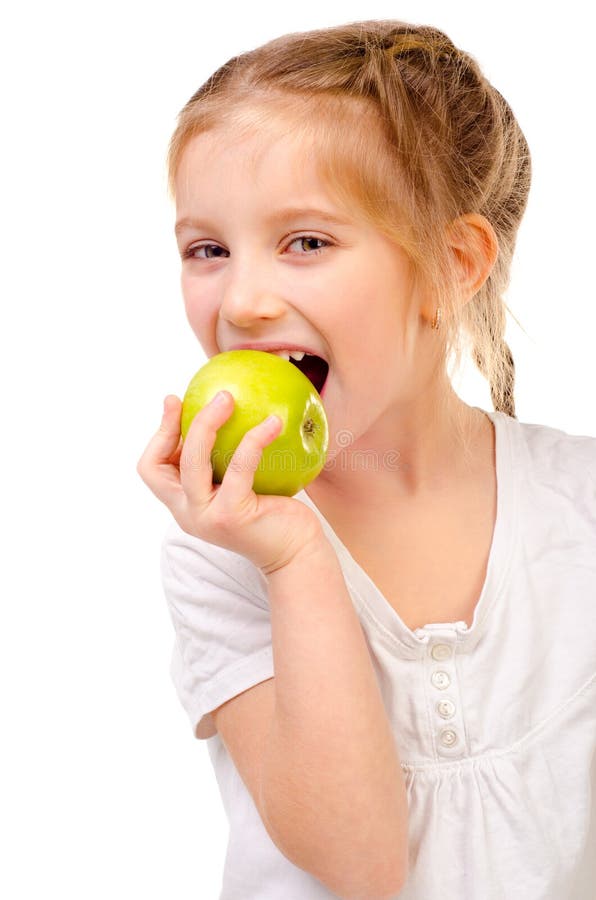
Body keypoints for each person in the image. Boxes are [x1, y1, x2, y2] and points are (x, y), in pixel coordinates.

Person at [136, 19, 596, 900]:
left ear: (450, 266)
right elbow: (359, 864)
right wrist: (294, 555)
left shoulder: (579, 505)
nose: (243, 300)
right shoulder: (223, 553)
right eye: (208, 250)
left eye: (306, 242)